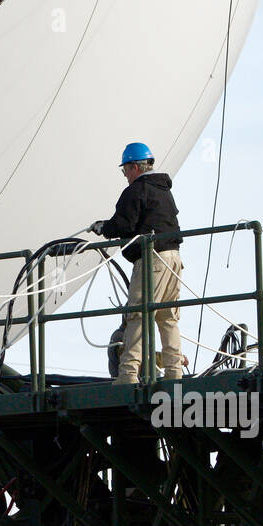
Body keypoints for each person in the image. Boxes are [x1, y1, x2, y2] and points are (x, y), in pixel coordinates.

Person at [89, 142, 186, 384]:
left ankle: (129, 374)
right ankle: (175, 373)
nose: (125, 176)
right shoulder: (164, 190)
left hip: (153, 260)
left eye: (125, 171)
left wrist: (104, 228)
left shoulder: (136, 191)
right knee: (167, 317)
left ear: (134, 167)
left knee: (138, 315)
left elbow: (123, 224)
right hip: (174, 259)